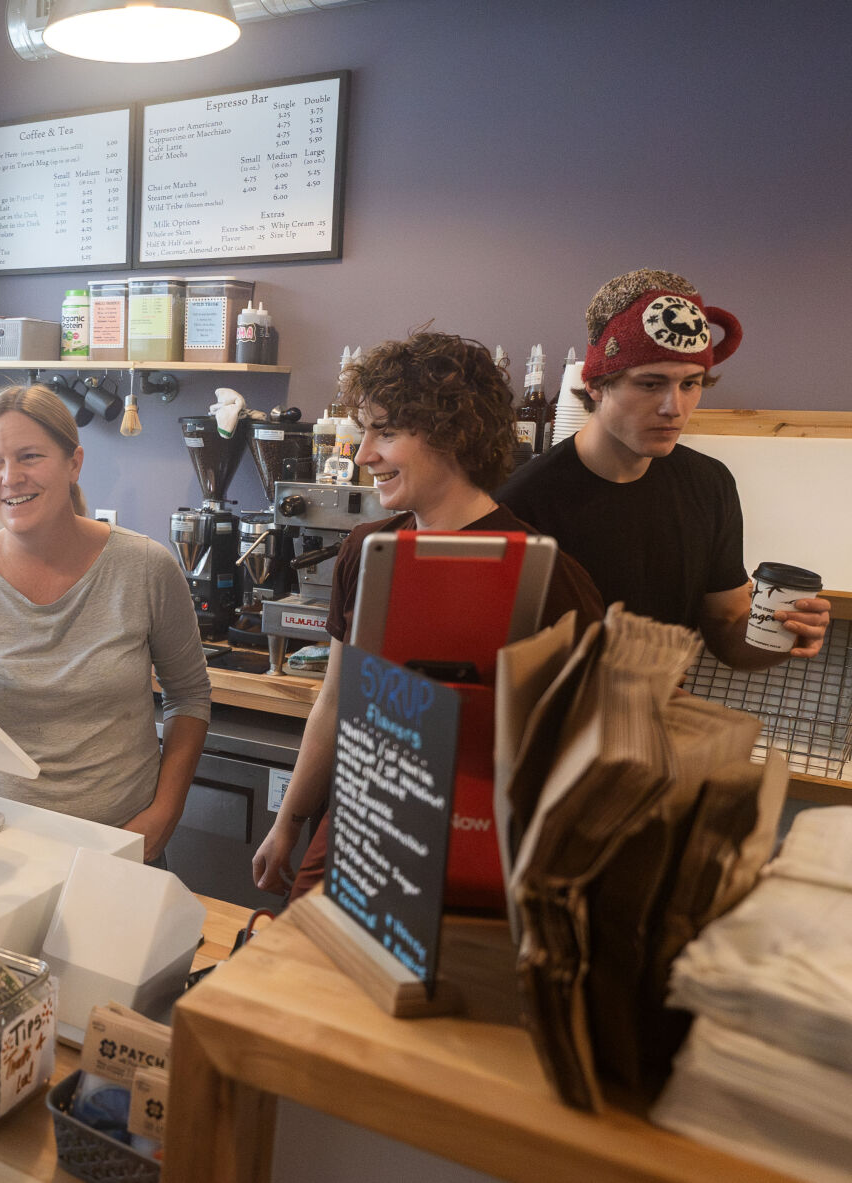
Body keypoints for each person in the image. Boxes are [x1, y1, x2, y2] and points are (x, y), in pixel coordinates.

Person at [253, 331, 604, 899]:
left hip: (473, 850)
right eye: (366, 430)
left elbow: (585, 743)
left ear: (455, 435)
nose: (364, 453)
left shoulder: (545, 574)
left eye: (386, 432)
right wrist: (289, 821)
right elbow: (337, 700)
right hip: (361, 825)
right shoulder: (367, 549)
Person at [0, 384, 210, 863]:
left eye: (30, 456)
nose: (10, 478)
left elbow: (190, 696)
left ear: (74, 463)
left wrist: (163, 816)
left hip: (117, 850)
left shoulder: (145, 567)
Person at [498, 268, 830, 667]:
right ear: (596, 385)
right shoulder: (520, 503)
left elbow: (727, 631)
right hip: (553, 723)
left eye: (690, 384)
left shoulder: (709, 484)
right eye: (650, 384)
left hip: (657, 716)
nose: (673, 408)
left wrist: (778, 631)